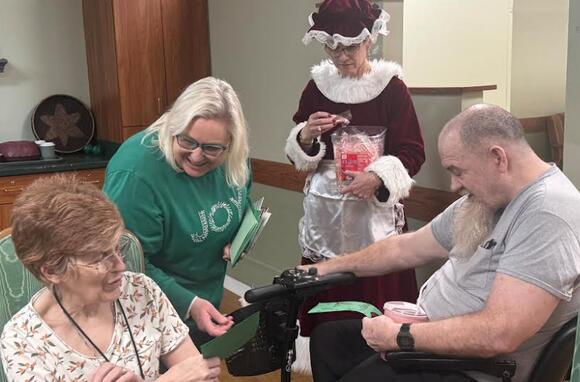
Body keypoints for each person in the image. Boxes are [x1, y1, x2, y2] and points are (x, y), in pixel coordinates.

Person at [306, 104, 580, 382]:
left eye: (458, 171)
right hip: (434, 342)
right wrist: (322, 270)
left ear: (498, 158)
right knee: (330, 341)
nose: (453, 185)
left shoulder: (547, 212)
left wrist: (398, 336)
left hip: (474, 370)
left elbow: (499, 334)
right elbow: (405, 248)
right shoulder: (485, 201)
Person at [284, 0, 425, 339]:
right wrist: (305, 136)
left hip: (373, 215)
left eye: (349, 46)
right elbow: (299, 155)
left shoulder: (391, 88)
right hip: (326, 214)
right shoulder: (316, 88)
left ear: (369, 40)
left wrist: (378, 177)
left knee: (376, 294)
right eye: (332, 47)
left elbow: (413, 152)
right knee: (328, 300)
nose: (341, 56)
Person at [0, 175, 221, 381]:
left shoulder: (140, 291)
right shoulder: (23, 342)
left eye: (117, 248)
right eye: (100, 257)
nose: (121, 266)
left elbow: (199, 373)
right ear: (52, 271)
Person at [103, 77, 251, 345]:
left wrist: (241, 235)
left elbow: (241, 200)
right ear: (173, 127)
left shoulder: (233, 158)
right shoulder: (136, 171)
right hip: (144, 313)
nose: (196, 156)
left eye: (212, 148)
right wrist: (189, 303)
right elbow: (127, 261)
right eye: (187, 141)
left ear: (230, 144)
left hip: (205, 305)